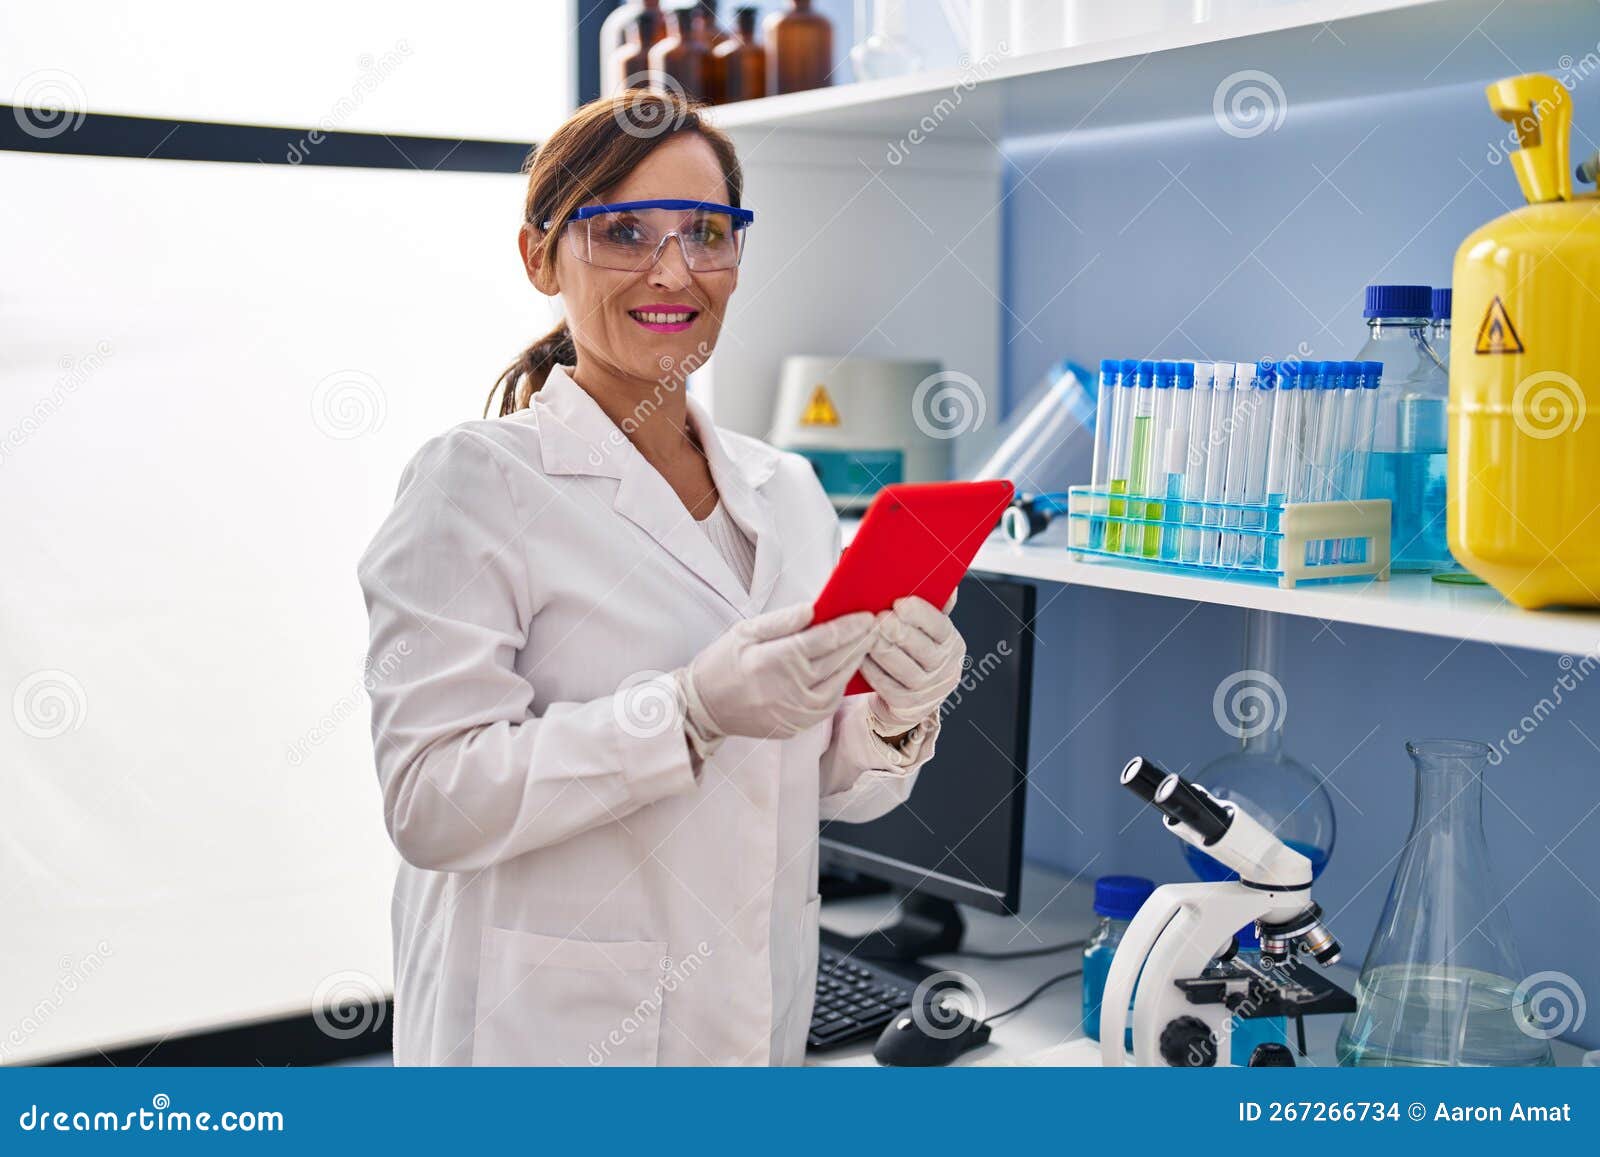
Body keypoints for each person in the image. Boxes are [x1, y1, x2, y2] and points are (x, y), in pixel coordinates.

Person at [356, 90, 967, 1066]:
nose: (674, 269)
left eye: (706, 232)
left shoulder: (788, 490)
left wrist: (891, 715)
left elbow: (806, 780)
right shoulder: (474, 482)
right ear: (538, 256)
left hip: (753, 1018)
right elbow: (433, 801)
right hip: (548, 1039)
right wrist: (685, 710)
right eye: (624, 231)